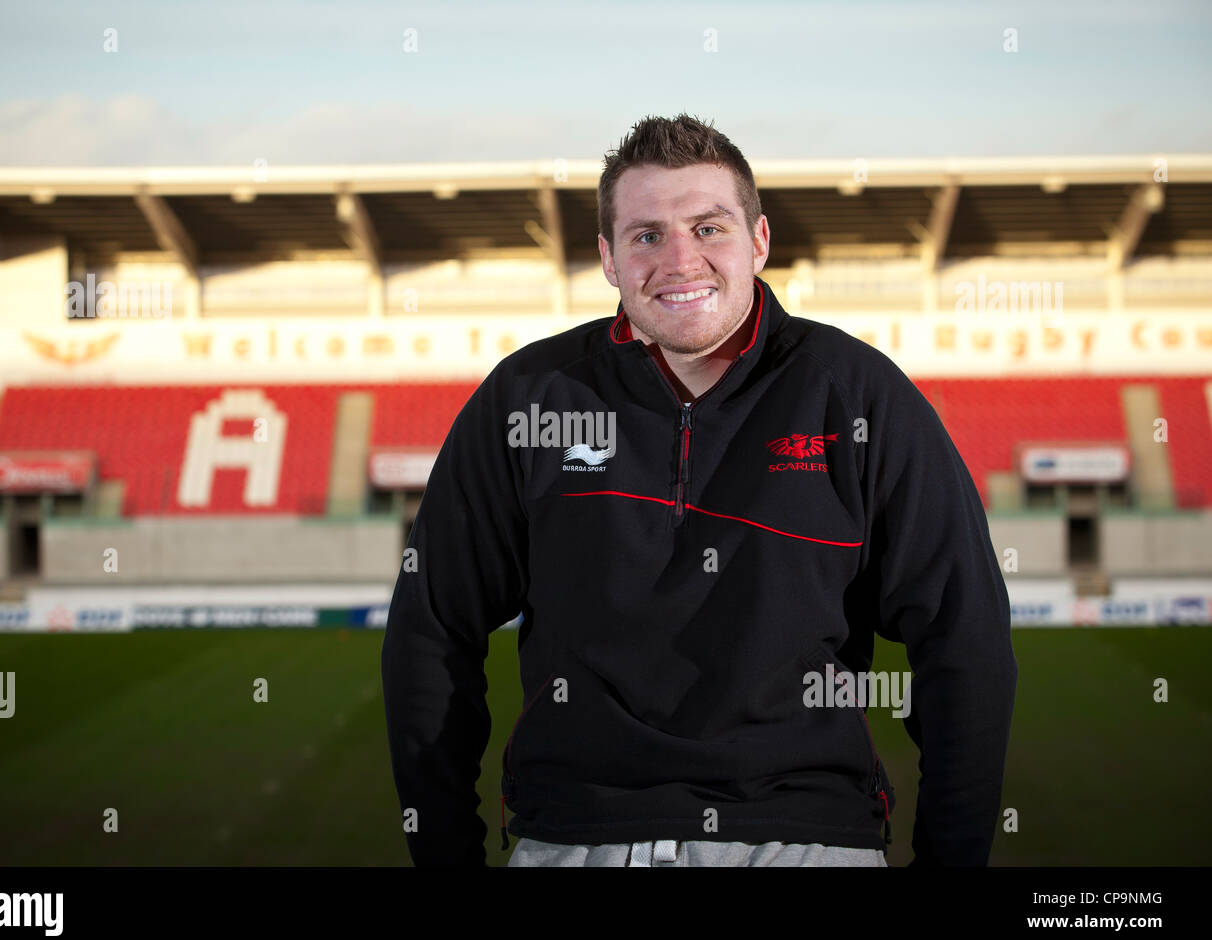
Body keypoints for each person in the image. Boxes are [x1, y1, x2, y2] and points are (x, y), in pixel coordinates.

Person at [381, 113, 1017, 867]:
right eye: (646, 235)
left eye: (709, 227)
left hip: (807, 839)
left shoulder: (858, 397)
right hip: (574, 837)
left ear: (759, 241)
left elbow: (964, 639)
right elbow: (430, 630)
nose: (680, 260)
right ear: (609, 260)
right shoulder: (529, 397)